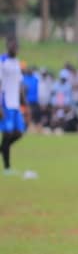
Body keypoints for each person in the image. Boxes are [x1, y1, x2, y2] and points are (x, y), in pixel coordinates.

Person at [0, 38, 26, 174]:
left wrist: (24, 101)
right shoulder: (2, 61)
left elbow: (20, 84)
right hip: (5, 104)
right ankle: (7, 168)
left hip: (15, 105)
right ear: (8, 46)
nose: (16, 48)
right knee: (7, 134)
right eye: (13, 46)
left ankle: (3, 150)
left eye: (17, 46)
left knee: (19, 133)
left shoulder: (16, 62)